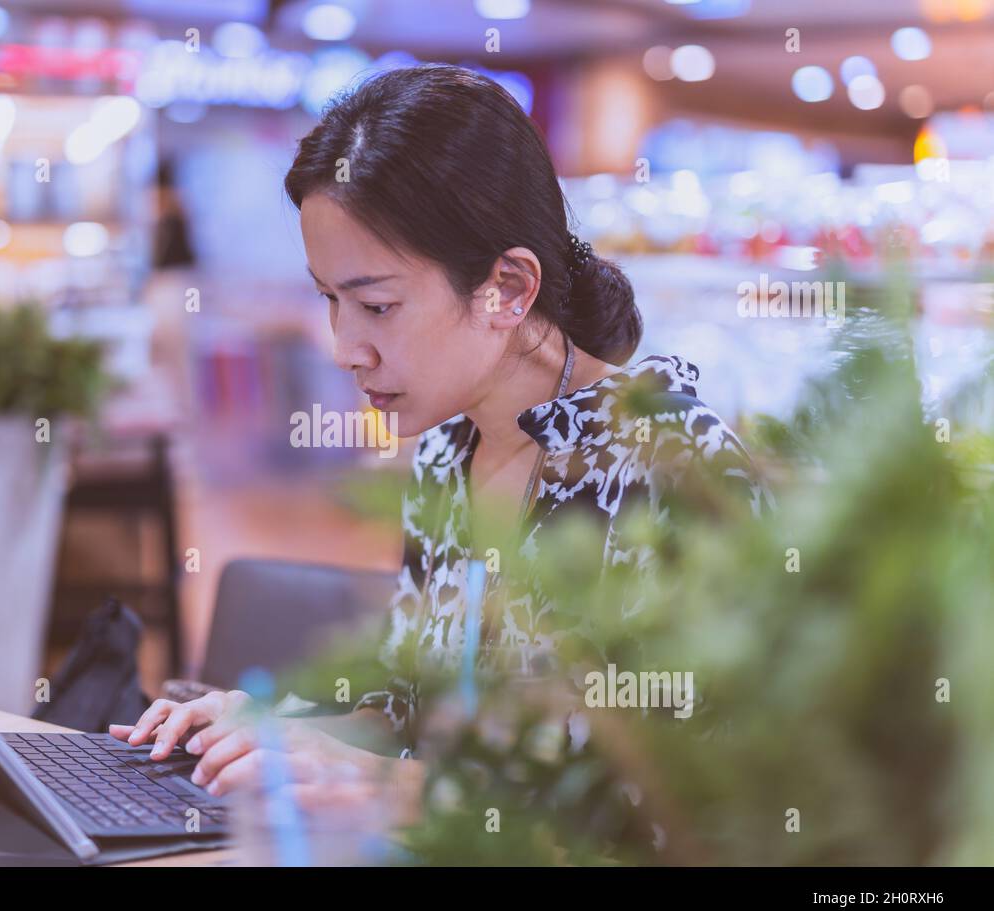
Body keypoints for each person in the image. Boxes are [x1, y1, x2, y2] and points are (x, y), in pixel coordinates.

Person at [110, 65, 767, 816]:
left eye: (377, 306)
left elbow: (666, 801)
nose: (345, 348)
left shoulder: (670, 466)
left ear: (509, 289)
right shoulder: (449, 452)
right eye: (331, 301)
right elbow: (413, 720)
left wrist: (388, 786)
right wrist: (273, 732)